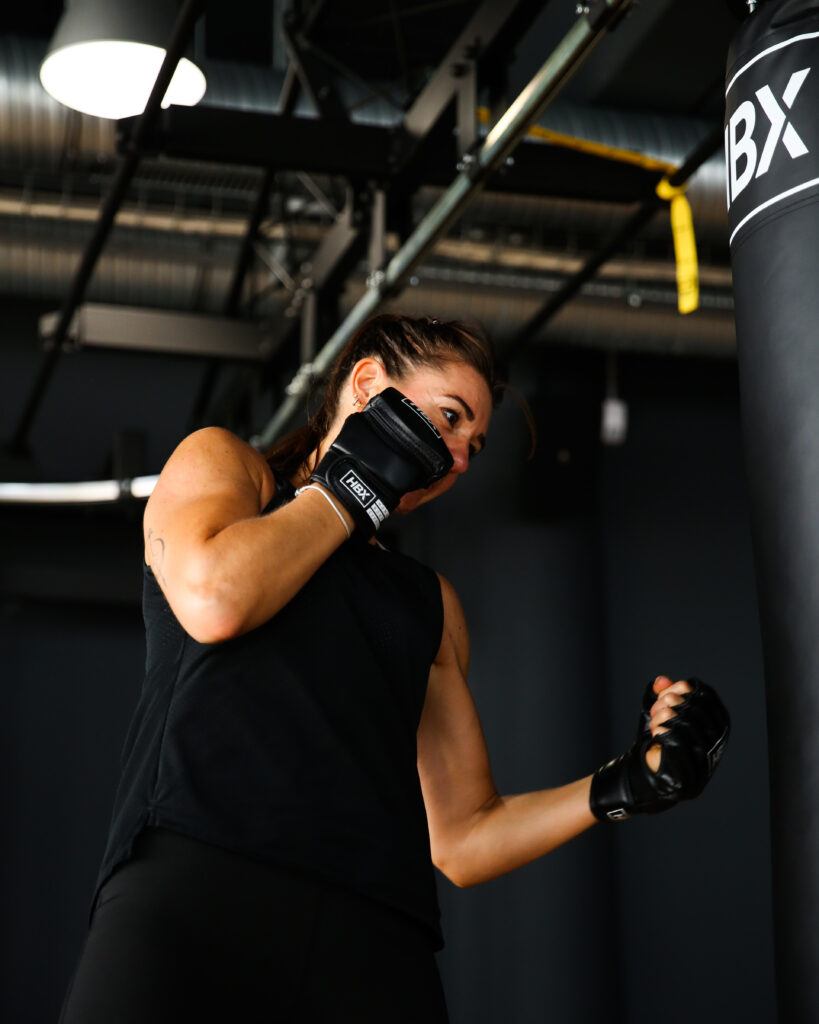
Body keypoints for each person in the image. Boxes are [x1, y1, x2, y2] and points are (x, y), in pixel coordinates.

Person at [59, 313, 729, 1023]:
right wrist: (346, 491)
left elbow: (465, 835)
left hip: (371, 940)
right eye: (448, 417)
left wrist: (629, 782)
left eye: (474, 444)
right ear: (368, 383)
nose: (460, 458)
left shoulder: (426, 603)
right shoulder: (232, 470)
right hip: (200, 887)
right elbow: (212, 599)